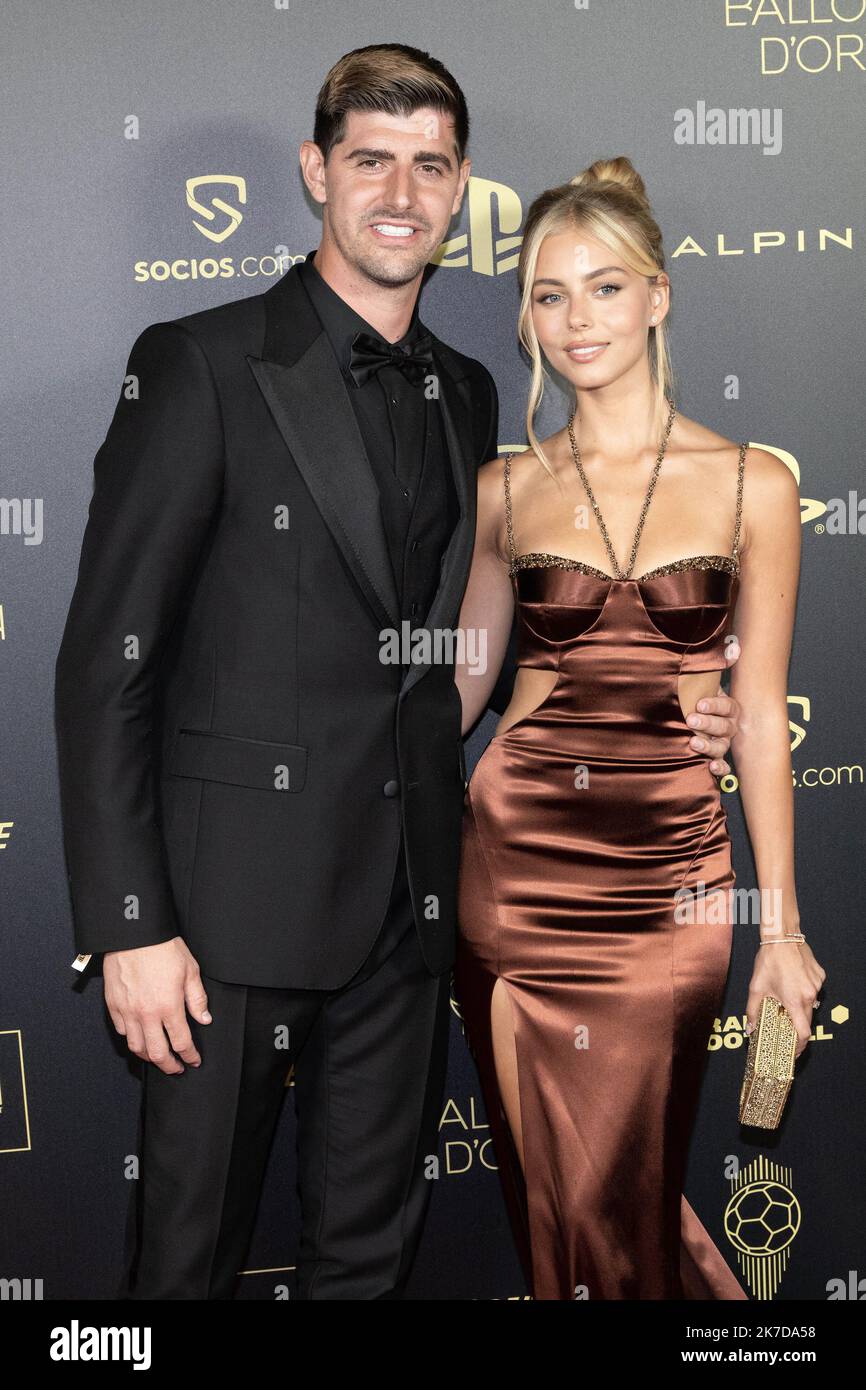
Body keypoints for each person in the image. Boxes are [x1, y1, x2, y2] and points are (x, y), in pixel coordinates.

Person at [54, 42, 740, 1299]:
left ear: (458, 186)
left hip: (412, 908)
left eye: (429, 166)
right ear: (318, 172)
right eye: (371, 159)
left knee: (368, 1265)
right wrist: (129, 924)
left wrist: (671, 692)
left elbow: (462, 657)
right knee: (183, 1269)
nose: (399, 192)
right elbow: (108, 661)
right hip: (220, 925)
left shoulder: (465, 392)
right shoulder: (200, 361)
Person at [453, 157, 825, 1300]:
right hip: (514, 878)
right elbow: (462, 685)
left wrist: (779, 930)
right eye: (549, 295)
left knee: (626, 1168)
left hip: (673, 882)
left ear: (657, 296)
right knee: (555, 1195)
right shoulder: (503, 489)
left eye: (604, 288)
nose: (576, 320)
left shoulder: (749, 482)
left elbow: (756, 711)